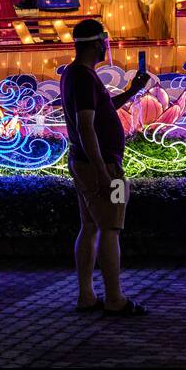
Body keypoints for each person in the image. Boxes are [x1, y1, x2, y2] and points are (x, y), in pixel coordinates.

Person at [61, 18, 151, 316]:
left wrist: (132, 91)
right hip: (102, 166)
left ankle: (87, 296)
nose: (106, 48)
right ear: (97, 44)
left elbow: (102, 110)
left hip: (86, 163)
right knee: (111, 228)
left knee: (89, 227)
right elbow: (86, 126)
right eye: (104, 43)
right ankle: (115, 299)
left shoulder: (77, 74)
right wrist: (102, 171)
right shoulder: (83, 77)